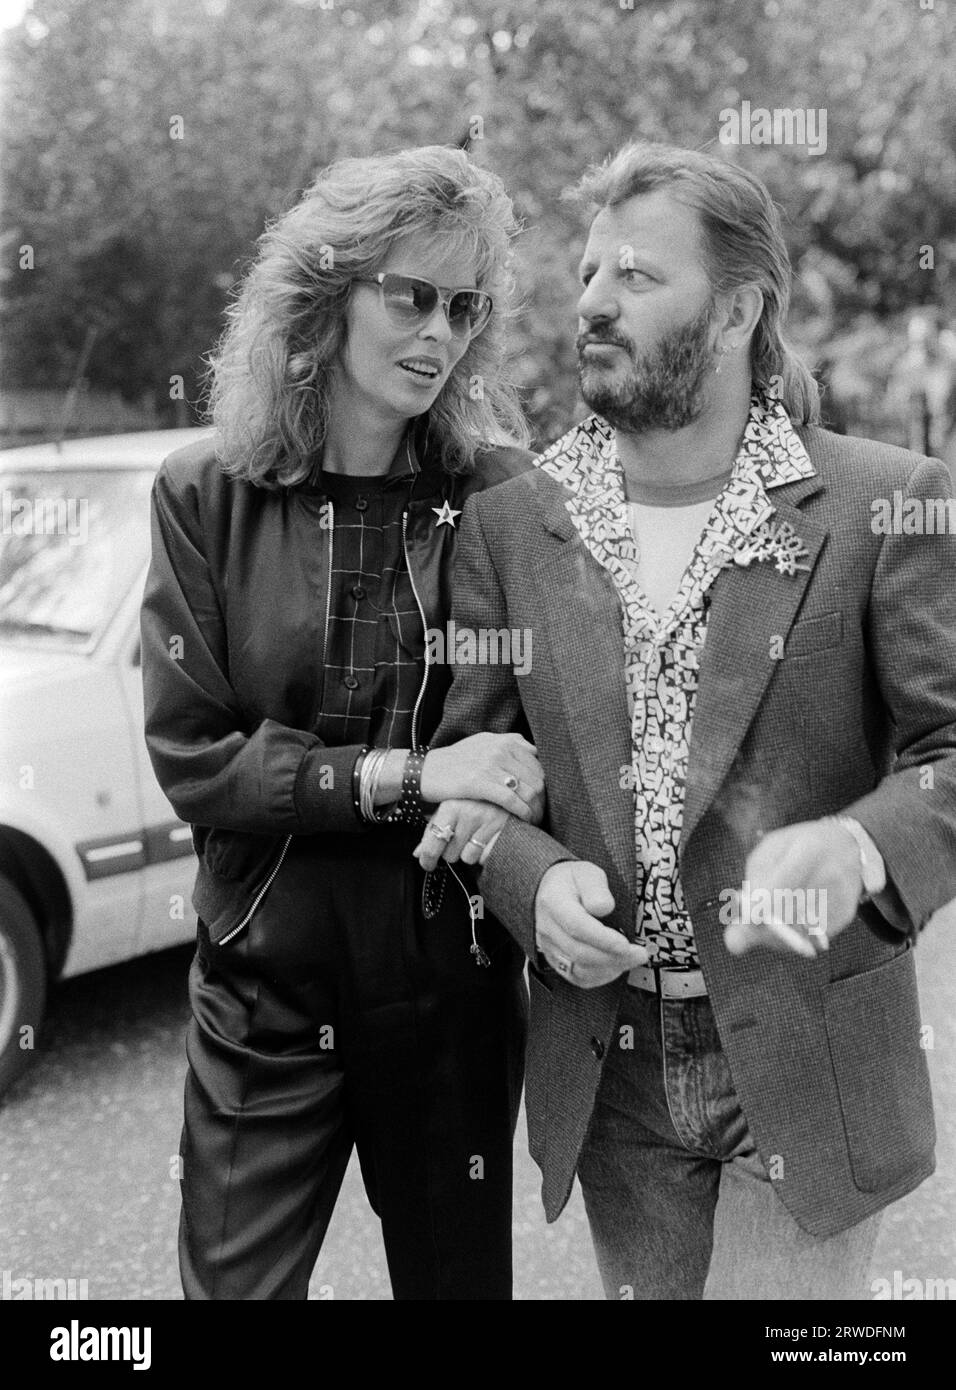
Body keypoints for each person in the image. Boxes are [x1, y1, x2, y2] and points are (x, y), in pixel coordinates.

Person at [417, 141, 956, 1300]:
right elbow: (475, 782)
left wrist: (860, 843)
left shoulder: (886, 500)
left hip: (809, 1055)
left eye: (637, 275)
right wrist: (528, 879)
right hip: (608, 1068)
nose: (595, 301)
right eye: (589, 274)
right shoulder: (511, 526)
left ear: (737, 308)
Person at [139, 145, 544, 1300]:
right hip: (263, 984)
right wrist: (406, 776)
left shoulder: (499, 497)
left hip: (448, 985)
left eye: (464, 306)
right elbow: (193, 757)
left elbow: (525, 746)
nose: (439, 332)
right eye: (410, 294)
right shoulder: (202, 494)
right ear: (327, 293)